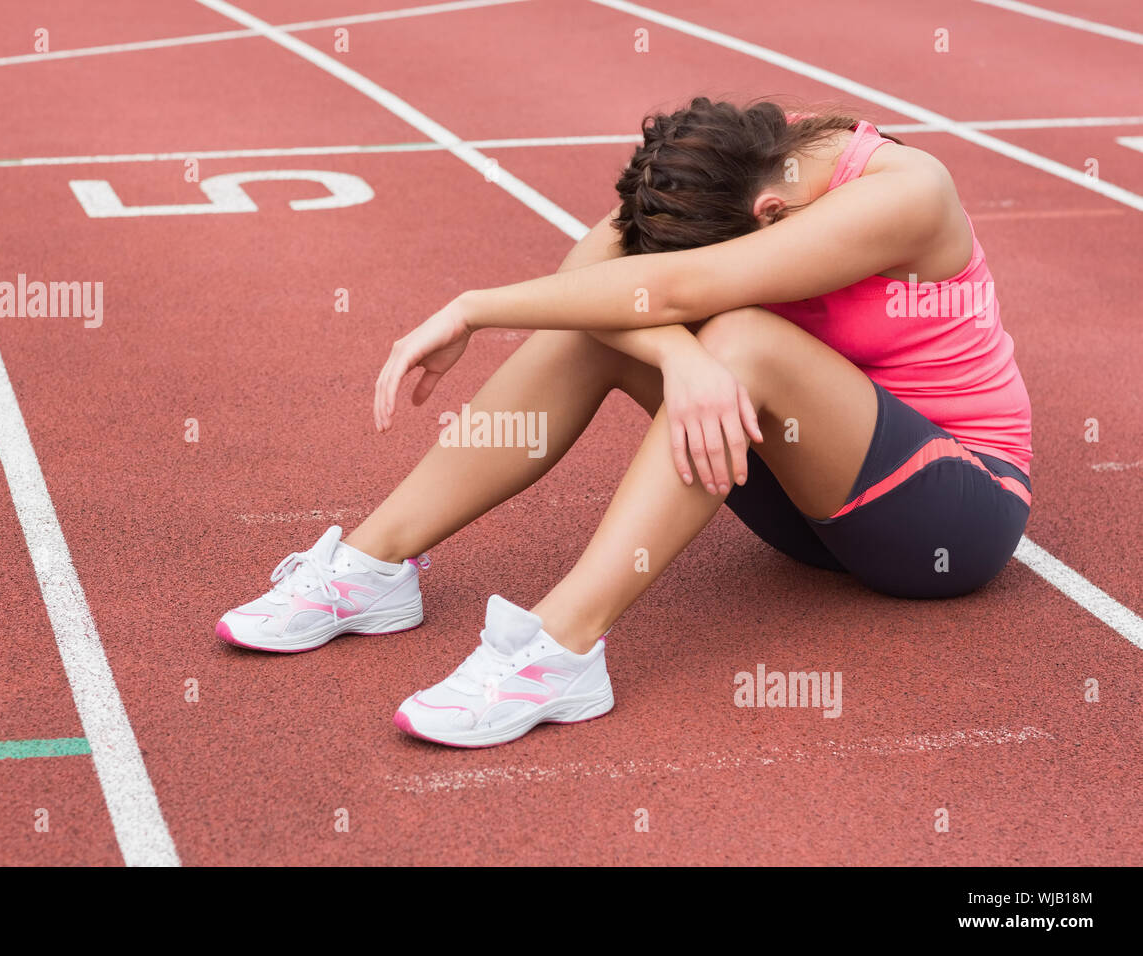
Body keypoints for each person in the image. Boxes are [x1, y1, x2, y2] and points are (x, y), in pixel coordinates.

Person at [217, 97, 1032, 748]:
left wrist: (474, 308)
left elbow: (675, 289)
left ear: (773, 212)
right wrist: (679, 357)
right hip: (811, 502)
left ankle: (562, 650)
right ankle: (373, 567)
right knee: (601, 332)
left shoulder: (907, 192)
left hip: (950, 511)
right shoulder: (720, 164)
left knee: (739, 337)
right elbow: (586, 277)